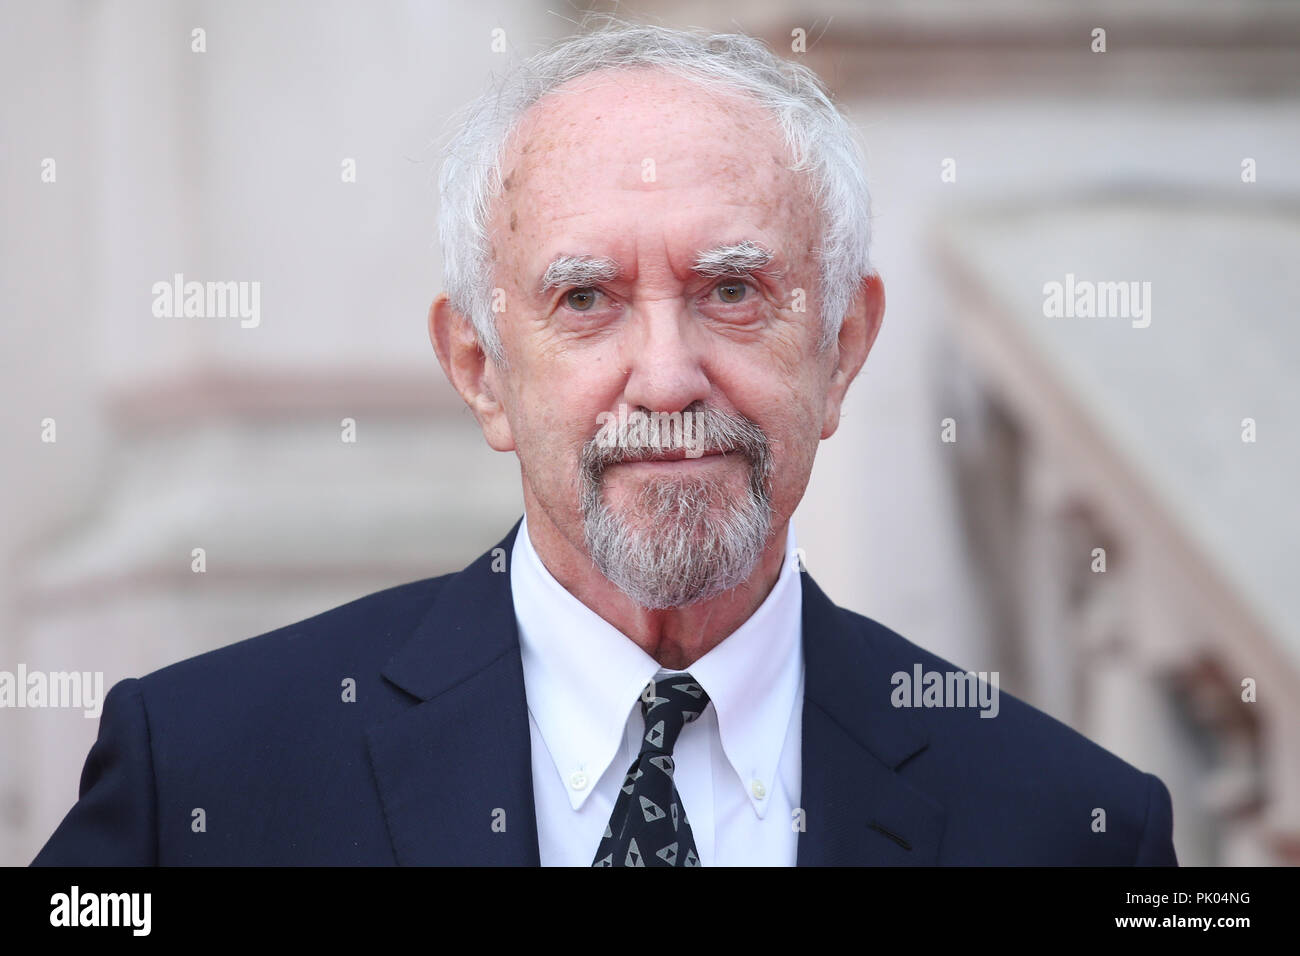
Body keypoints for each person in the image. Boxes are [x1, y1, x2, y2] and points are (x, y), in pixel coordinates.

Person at [33, 20, 1176, 866]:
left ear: (840, 347)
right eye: (585, 299)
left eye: (732, 289)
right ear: (480, 367)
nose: (668, 373)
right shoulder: (204, 778)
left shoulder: (1066, 825)